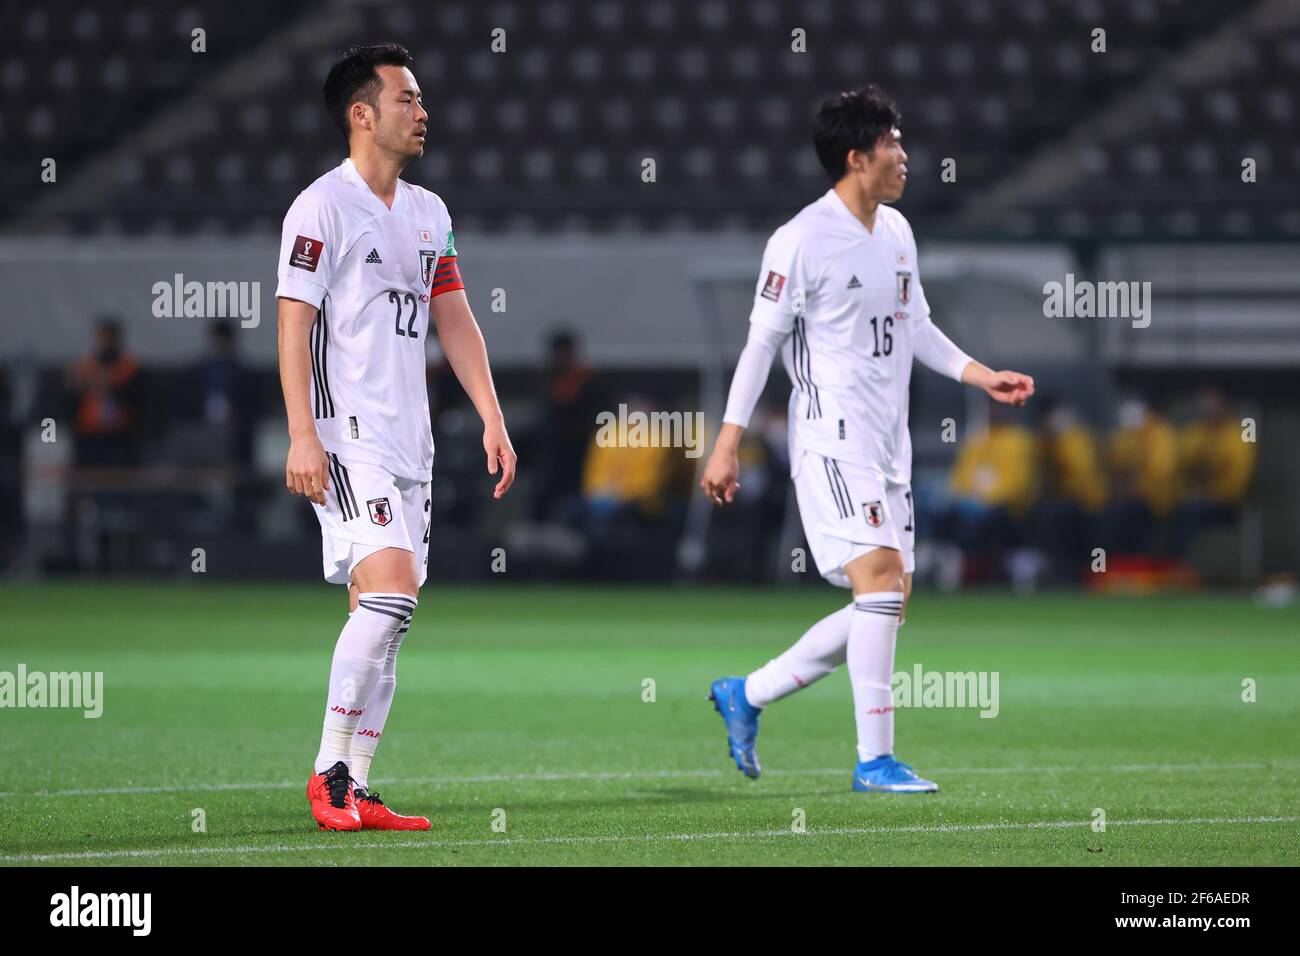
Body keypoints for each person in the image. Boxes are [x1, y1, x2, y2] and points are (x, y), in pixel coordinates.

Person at [698, 86, 1034, 793]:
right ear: (858, 158)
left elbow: (915, 329)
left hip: (889, 446)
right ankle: (874, 760)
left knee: (887, 600)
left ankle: (748, 693)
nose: (905, 155)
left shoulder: (899, 232)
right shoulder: (800, 240)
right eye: (894, 144)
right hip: (830, 439)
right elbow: (760, 347)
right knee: (879, 583)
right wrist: (728, 443)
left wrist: (981, 376)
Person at [276, 43, 516, 831]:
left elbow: (453, 314)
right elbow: (293, 324)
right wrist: (301, 434)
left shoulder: (428, 212)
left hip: (412, 444)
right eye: (407, 99)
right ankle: (326, 774)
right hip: (347, 437)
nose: (423, 112)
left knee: (388, 618)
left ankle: (358, 785)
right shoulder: (321, 208)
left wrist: (490, 412)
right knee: (389, 594)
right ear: (361, 114)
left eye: (421, 99)